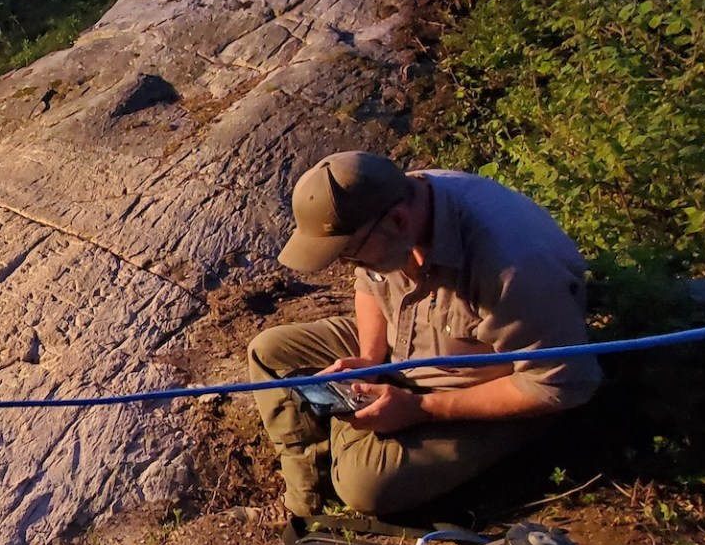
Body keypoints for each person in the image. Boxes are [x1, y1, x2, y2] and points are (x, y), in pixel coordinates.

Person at [247, 151, 602, 518]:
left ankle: (344, 446)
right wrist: (369, 359)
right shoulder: (393, 199)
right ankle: (306, 500)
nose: (347, 265)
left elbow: (557, 386)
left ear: (399, 221)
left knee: (364, 484)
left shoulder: (515, 268)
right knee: (269, 352)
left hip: (477, 389)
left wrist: (420, 409)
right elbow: (369, 283)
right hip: (409, 342)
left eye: (350, 254)